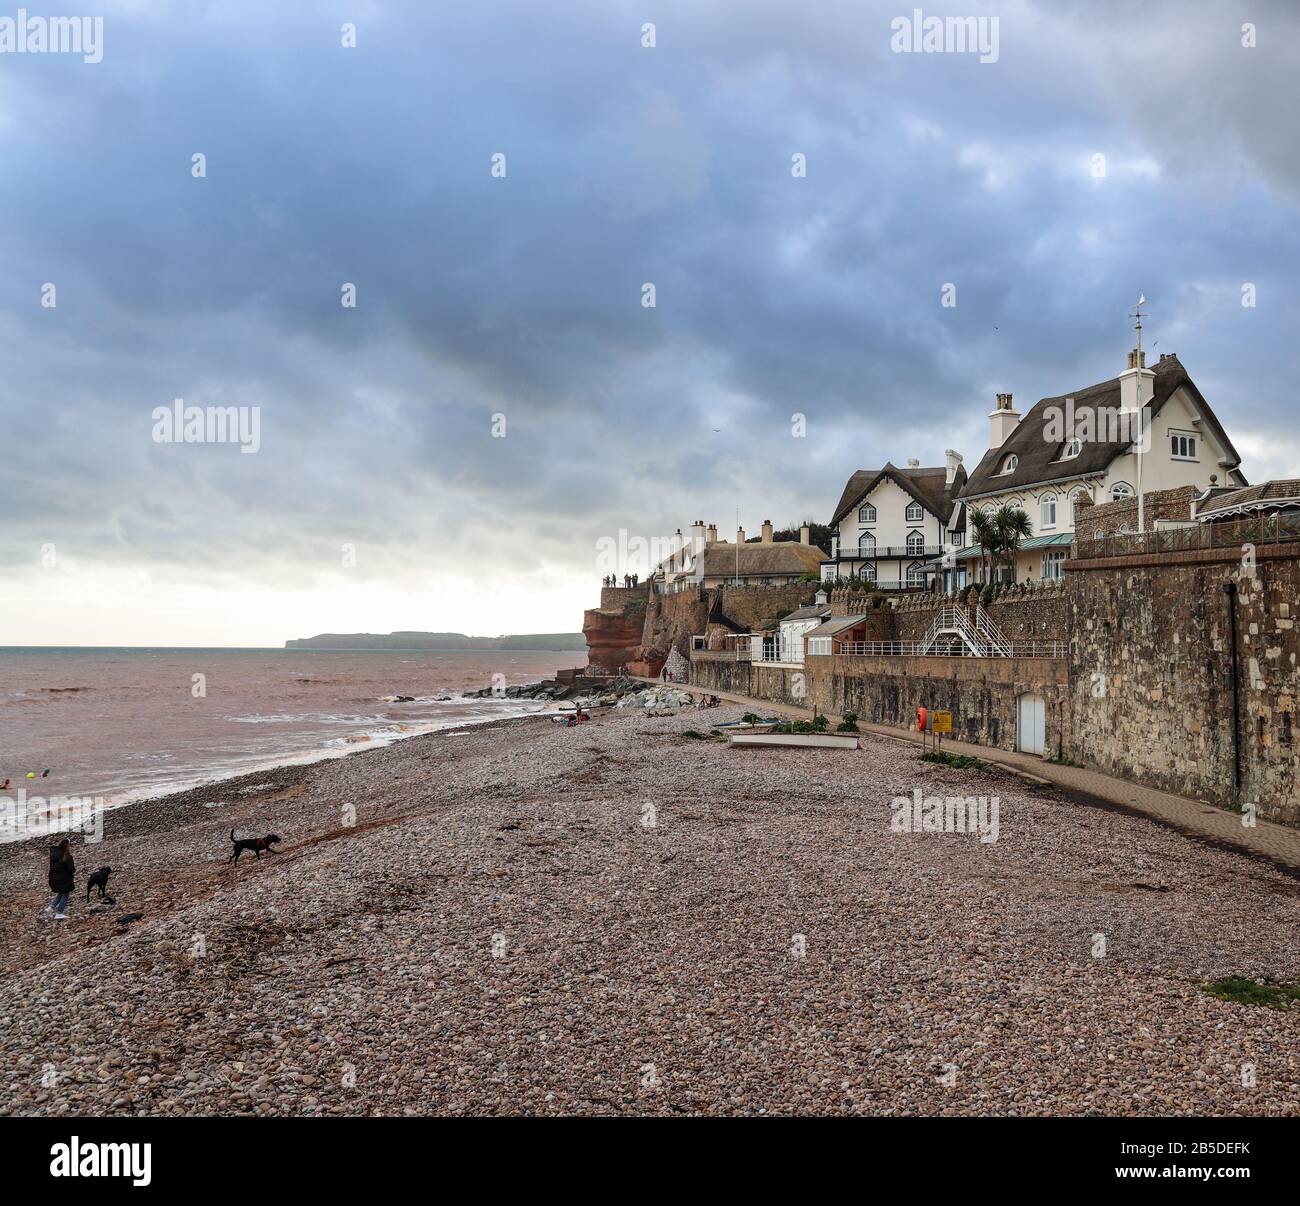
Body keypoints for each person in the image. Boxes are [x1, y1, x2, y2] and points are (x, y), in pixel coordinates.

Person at [45, 837, 74, 922]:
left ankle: (50, 908)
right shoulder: (67, 856)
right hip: (64, 879)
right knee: (65, 894)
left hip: (54, 878)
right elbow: (71, 870)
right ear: (67, 846)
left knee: (61, 893)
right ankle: (59, 913)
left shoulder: (54, 855)